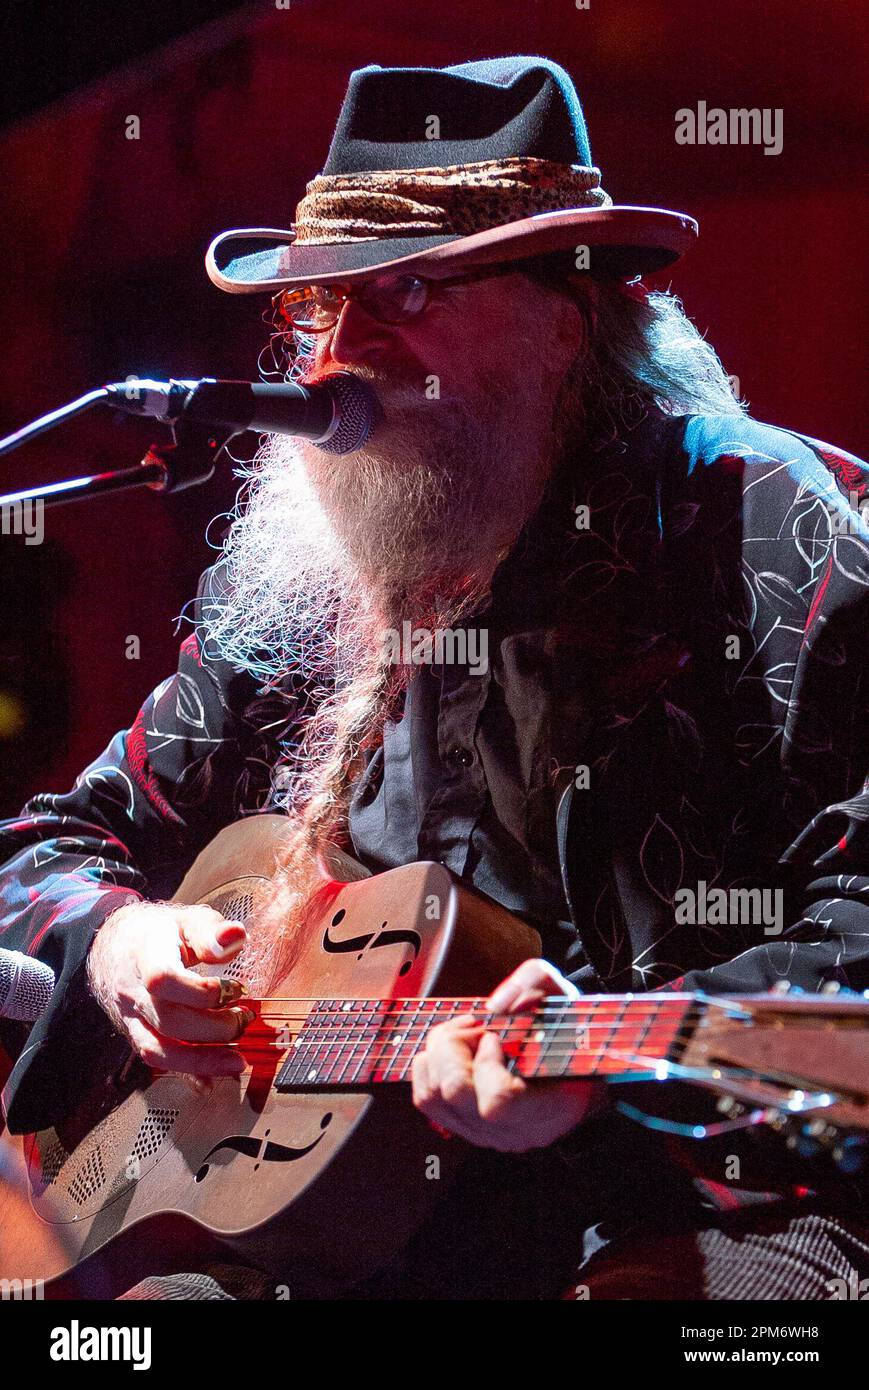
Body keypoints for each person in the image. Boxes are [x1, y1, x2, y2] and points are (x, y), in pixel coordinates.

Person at [1, 56, 868, 1300]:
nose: (340, 353)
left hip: (702, 1196)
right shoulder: (311, 572)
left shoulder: (771, 527)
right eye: (320, 308)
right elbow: (49, 844)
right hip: (337, 1230)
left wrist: (597, 1082)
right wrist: (116, 939)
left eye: (401, 293)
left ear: (564, 316)